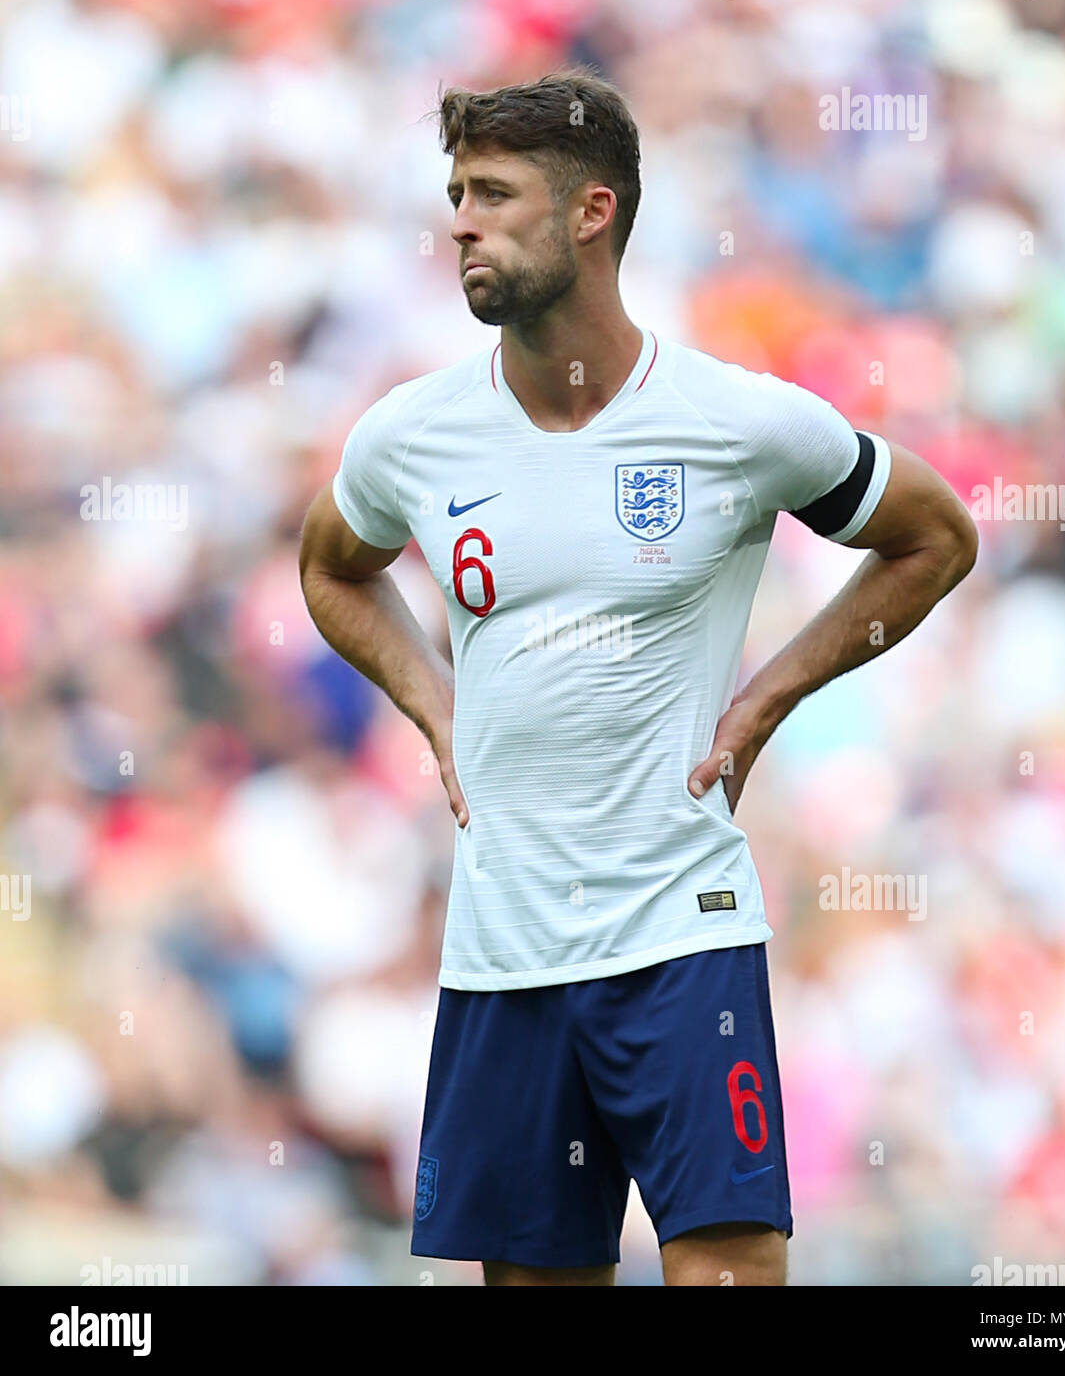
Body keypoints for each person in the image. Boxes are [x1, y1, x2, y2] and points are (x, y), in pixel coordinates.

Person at [298, 66, 978, 1286]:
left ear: (590, 213)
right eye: (454, 192)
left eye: (494, 193)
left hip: (681, 938)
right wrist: (430, 704)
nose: (459, 220)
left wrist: (769, 694)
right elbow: (333, 570)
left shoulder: (738, 420)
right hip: (501, 949)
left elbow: (935, 536)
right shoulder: (411, 434)